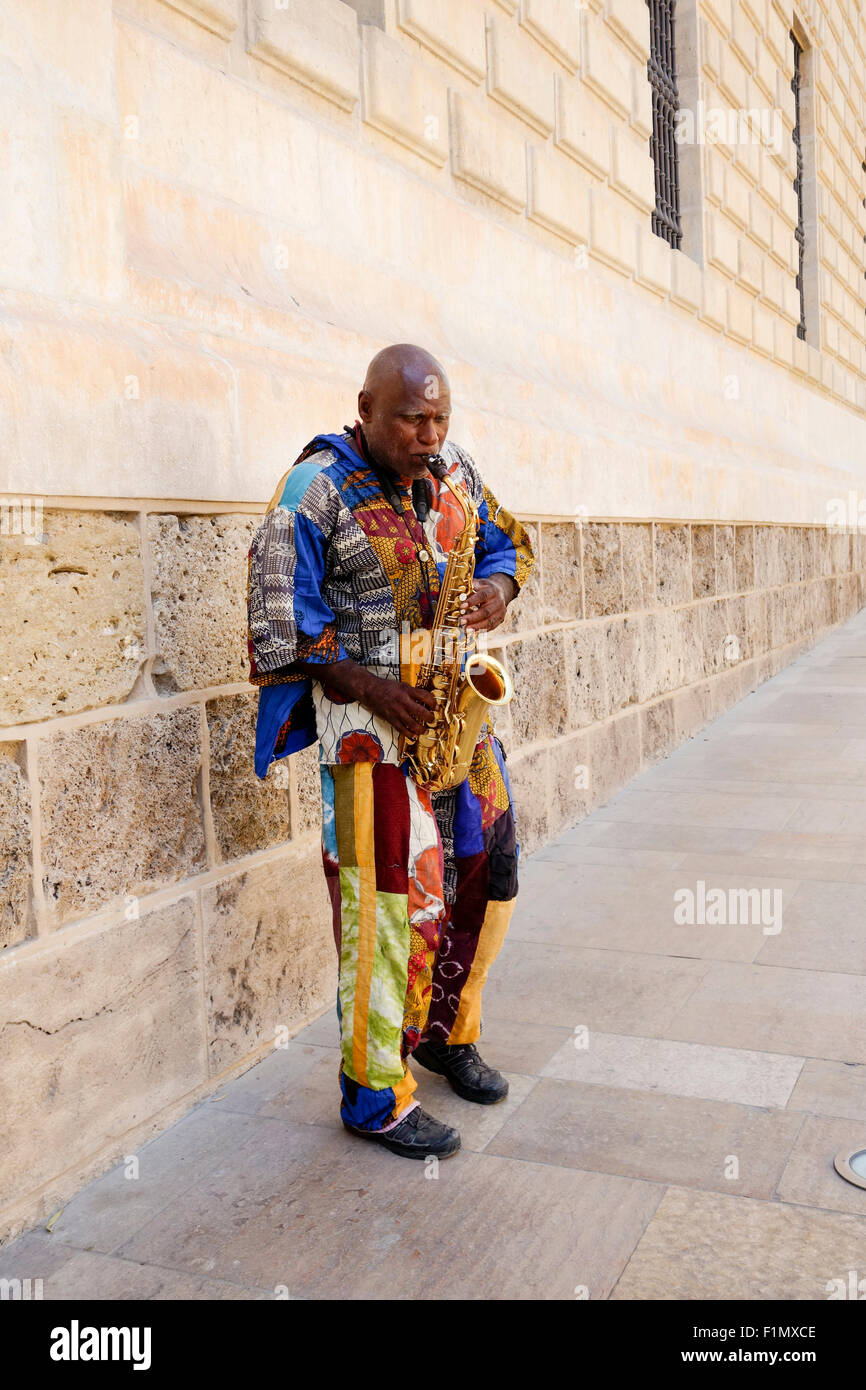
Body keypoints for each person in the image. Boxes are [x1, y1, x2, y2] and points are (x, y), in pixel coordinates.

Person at [246, 344, 534, 1159]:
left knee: (492, 871)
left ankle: (450, 1034)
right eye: (412, 418)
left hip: (455, 721)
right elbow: (278, 626)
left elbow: (509, 544)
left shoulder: (456, 474)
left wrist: (496, 589)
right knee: (387, 908)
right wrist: (372, 687)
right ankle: (374, 1094)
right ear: (366, 407)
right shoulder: (313, 490)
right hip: (368, 731)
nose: (429, 434)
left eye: (440, 417)